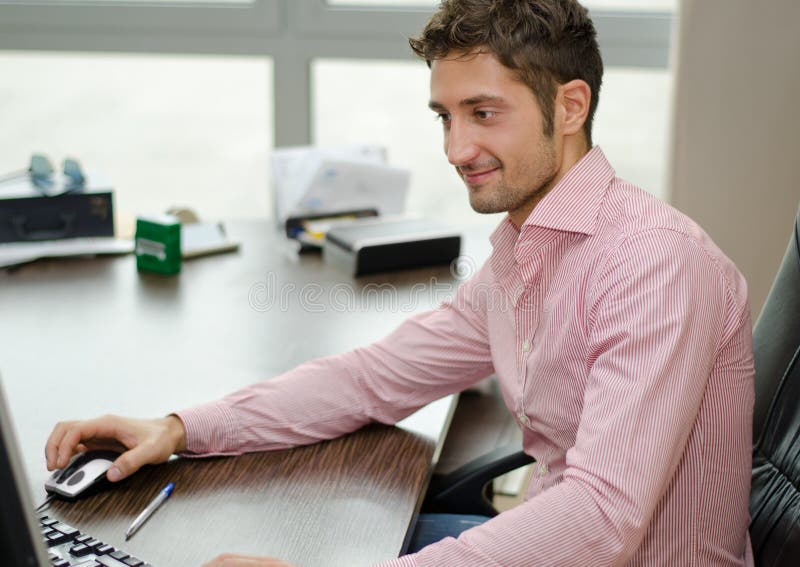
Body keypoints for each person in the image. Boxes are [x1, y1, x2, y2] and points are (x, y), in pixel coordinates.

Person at [45, 0, 756, 565]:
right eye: (444, 117)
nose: (455, 149)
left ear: (570, 107)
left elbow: (600, 524)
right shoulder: (524, 249)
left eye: (483, 113)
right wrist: (179, 427)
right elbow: (373, 376)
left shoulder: (655, 266)